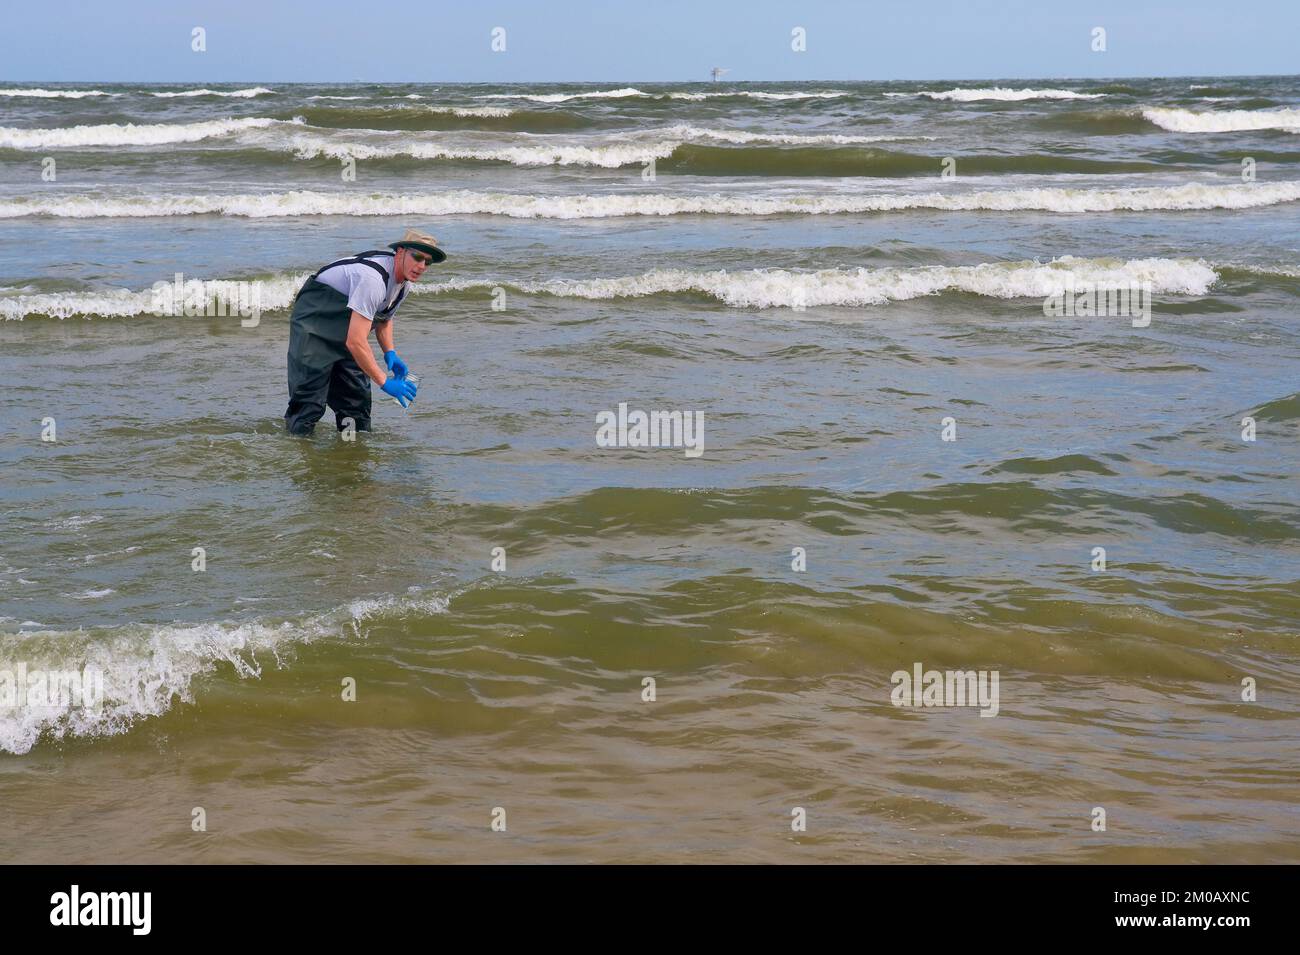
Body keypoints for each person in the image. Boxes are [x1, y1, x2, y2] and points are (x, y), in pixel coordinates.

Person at [284, 228, 446, 435]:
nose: (422, 266)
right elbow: (355, 342)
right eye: (417, 257)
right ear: (400, 252)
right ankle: (299, 456)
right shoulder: (373, 279)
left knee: (355, 405)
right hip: (314, 325)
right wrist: (384, 381)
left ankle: (350, 458)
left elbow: (384, 318)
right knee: (309, 404)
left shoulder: (404, 285)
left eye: (428, 262)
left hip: (348, 330)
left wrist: (390, 353)